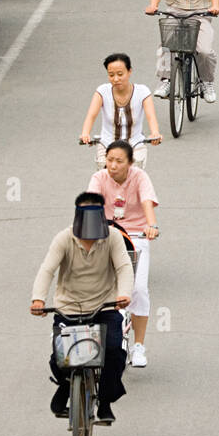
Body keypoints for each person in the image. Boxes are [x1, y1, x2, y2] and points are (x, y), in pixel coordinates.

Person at [31, 194, 133, 425]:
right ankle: (66, 386)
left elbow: (124, 267)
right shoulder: (63, 239)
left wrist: (123, 294)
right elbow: (47, 269)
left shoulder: (113, 238)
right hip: (68, 306)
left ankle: (105, 402)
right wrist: (38, 299)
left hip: (104, 305)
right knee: (61, 357)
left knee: (114, 351)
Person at [88, 141, 159, 367]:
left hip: (136, 237)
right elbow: (91, 204)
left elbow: (147, 201)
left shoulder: (139, 177)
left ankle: (138, 345)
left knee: (138, 289)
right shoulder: (99, 178)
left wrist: (151, 225)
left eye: (119, 161)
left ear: (130, 163)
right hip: (106, 237)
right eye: (109, 160)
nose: (113, 165)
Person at [80, 52, 162, 168]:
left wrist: (155, 133)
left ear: (129, 71)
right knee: (104, 174)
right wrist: (85, 133)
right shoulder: (102, 92)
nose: (116, 79)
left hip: (135, 144)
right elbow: (91, 115)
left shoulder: (142, 92)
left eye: (120, 74)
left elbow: (151, 116)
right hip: (107, 144)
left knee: (135, 174)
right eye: (111, 75)